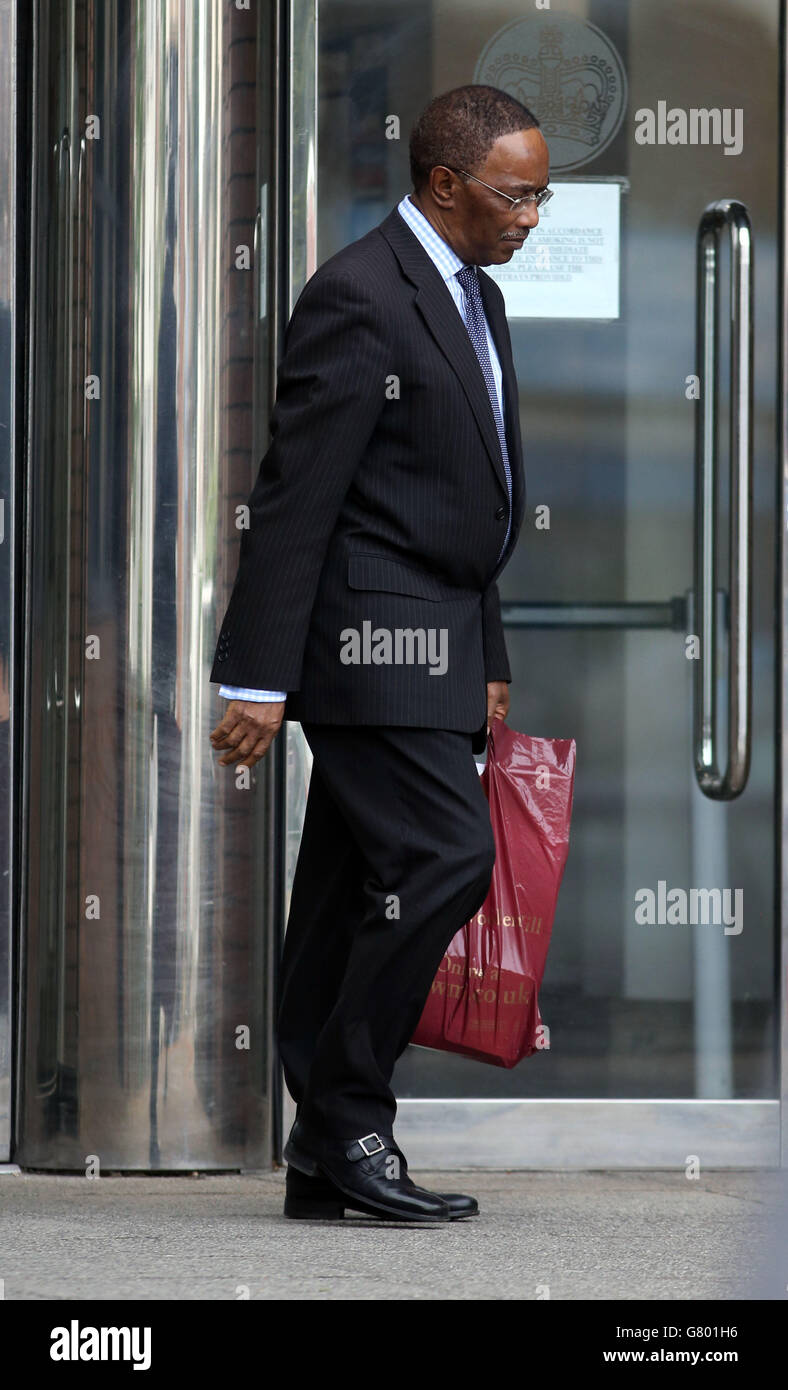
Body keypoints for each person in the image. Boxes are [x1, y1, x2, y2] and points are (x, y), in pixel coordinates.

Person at [209, 85, 550, 1222]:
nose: (533, 215)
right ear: (444, 185)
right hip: (370, 644)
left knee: (353, 885)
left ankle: (319, 1154)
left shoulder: (474, 299)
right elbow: (296, 496)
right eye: (517, 193)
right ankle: (348, 1118)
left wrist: (487, 648)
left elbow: (474, 495)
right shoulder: (361, 295)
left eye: (544, 193)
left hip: (442, 641)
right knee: (446, 860)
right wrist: (255, 676)